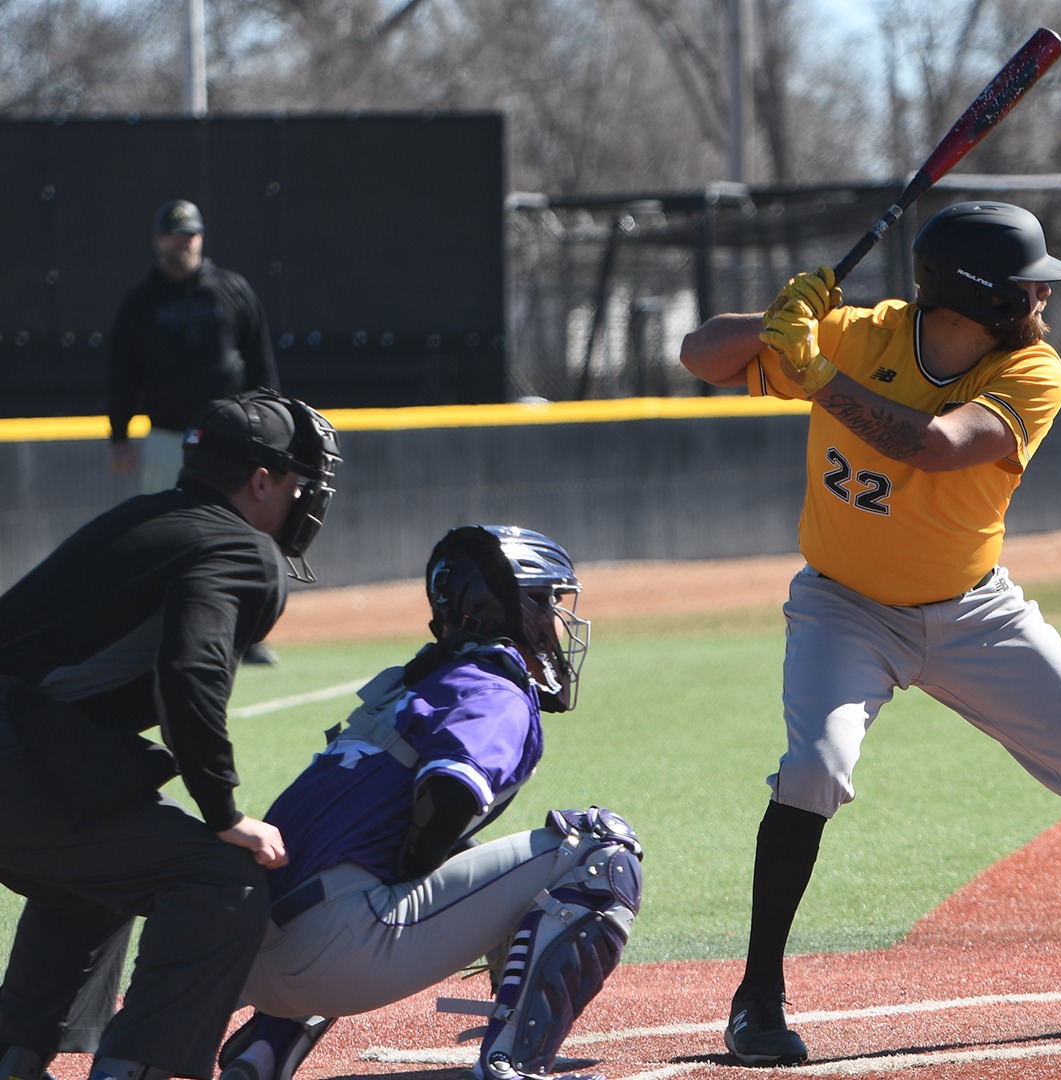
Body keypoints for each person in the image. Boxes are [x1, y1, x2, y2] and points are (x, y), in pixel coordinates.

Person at [679, 201, 1061, 1067]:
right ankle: (756, 996)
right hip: (845, 607)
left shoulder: (1034, 370)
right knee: (813, 769)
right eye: (1031, 286)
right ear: (978, 295)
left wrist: (819, 378)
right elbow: (701, 356)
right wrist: (778, 317)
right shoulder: (866, 332)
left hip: (972, 610)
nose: (1044, 299)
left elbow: (939, 444)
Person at [0, 387, 341, 1080]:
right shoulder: (243, 546)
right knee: (222, 879)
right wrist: (223, 813)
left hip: (26, 756)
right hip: (14, 761)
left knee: (101, 860)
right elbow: (188, 672)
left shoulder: (147, 515)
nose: (308, 497)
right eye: (300, 480)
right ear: (264, 480)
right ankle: (134, 1069)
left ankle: (15, 1056)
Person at [216, 525, 640, 1080]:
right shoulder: (493, 689)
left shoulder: (413, 687)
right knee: (602, 850)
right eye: (544, 601)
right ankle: (512, 1063)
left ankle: (265, 1050)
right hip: (333, 951)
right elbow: (449, 794)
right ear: (502, 607)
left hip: (248, 949)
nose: (555, 620)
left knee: (432, 850)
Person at [108, 198, 283, 664]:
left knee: (242, 533)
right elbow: (122, 372)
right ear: (157, 241)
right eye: (174, 235)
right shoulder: (141, 302)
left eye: (190, 234)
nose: (182, 243)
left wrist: (271, 424)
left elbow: (260, 360)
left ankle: (247, 635)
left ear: (201, 238)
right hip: (168, 435)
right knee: (163, 534)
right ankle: (159, 634)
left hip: (234, 440)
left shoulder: (231, 290)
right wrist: (119, 434)